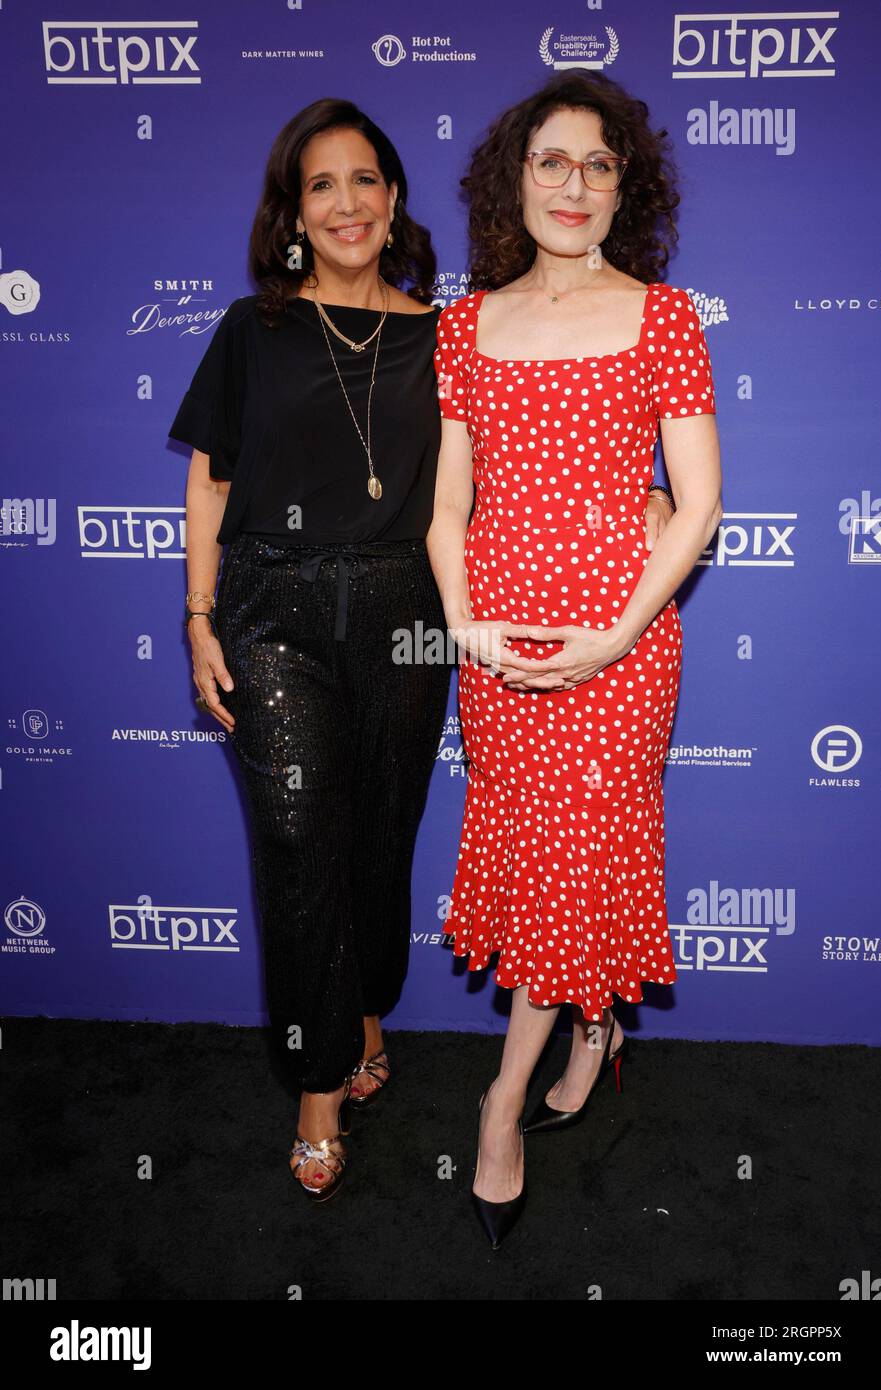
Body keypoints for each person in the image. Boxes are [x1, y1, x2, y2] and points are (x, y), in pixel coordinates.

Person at [427, 69, 722, 1248]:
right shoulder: (464, 323)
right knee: (538, 843)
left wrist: (620, 629)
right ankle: (592, 1027)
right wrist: (462, 620)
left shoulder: (665, 317)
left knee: (579, 845)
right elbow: (447, 508)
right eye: (552, 160)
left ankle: (501, 1105)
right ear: (517, 178)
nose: (574, 183)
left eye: (599, 164)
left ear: (623, 187)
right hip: (496, 636)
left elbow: (695, 505)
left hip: (622, 635)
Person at [167, 99, 452, 1201]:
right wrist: (198, 618)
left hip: (407, 614)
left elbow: (507, 465)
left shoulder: (443, 335)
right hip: (273, 611)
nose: (347, 202)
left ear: (393, 199)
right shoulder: (256, 329)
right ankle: (318, 1080)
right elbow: (213, 481)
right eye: (321, 185)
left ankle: (367, 1001)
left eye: (365, 179)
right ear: (293, 211)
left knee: (381, 831)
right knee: (298, 841)